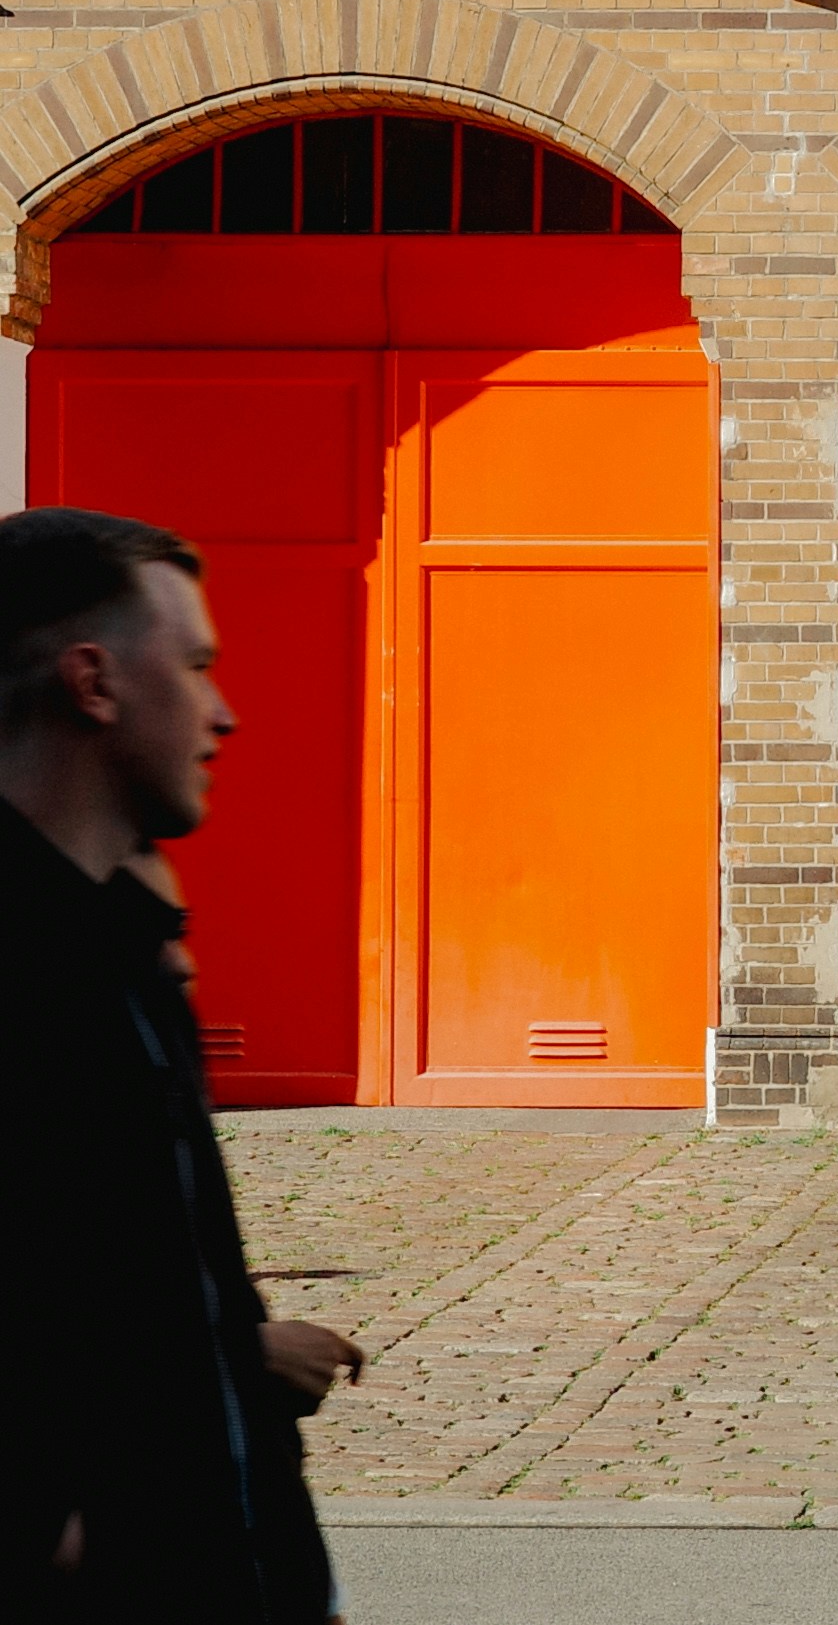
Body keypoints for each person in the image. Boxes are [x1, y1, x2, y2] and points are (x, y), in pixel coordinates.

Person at [0, 504, 364, 1618]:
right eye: (196, 664)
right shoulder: (36, 974)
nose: (224, 710)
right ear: (93, 680)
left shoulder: (113, 958)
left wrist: (231, 1347)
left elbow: (85, 1279)